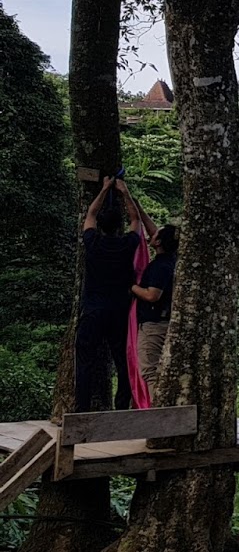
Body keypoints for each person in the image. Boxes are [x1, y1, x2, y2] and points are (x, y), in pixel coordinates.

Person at [74, 177, 142, 412]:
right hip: (118, 311)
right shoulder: (126, 245)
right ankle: (121, 406)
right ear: (118, 226)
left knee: (84, 361)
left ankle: (81, 409)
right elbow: (136, 219)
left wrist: (104, 190)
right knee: (122, 361)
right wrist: (125, 192)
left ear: (100, 226)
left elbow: (90, 215)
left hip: (93, 309)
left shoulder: (92, 243)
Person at [132, 224, 178, 385]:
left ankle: (157, 409)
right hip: (165, 322)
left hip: (153, 326)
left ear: (158, 242)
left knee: (150, 371)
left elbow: (152, 295)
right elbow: (157, 233)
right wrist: (136, 207)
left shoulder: (160, 267)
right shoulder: (174, 261)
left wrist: (132, 286)